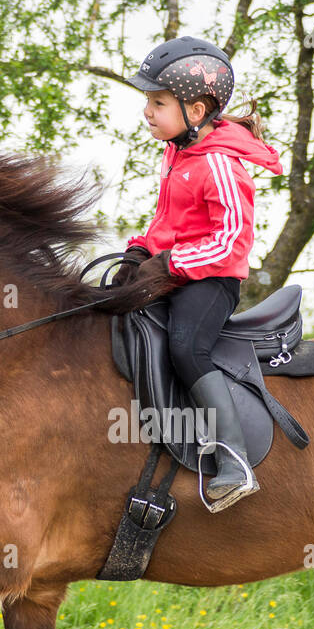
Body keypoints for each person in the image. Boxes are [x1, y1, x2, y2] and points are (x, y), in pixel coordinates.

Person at [115, 35, 284, 511]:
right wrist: (138, 253)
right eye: (147, 101)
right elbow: (166, 223)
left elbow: (231, 240)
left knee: (187, 346)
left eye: (158, 102)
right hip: (172, 270)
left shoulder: (221, 166)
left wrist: (170, 264)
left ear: (198, 108)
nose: (147, 111)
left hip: (212, 280)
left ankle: (234, 461)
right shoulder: (176, 154)